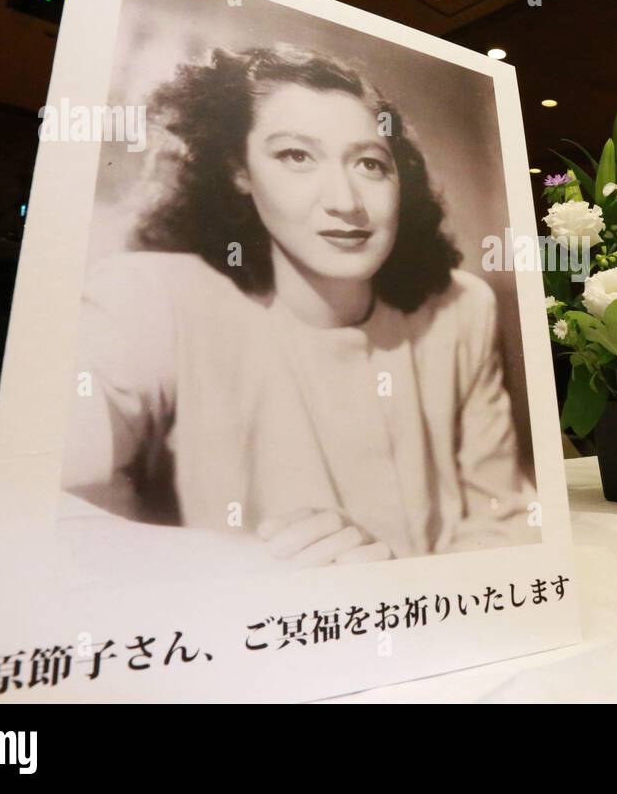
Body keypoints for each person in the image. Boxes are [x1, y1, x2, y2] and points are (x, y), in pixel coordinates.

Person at [62, 43, 538, 562]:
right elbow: (43, 504)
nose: (345, 200)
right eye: (296, 156)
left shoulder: (461, 308)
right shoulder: (149, 298)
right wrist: (256, 568)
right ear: (238, 168)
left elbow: (506, 519)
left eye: (370, 164)